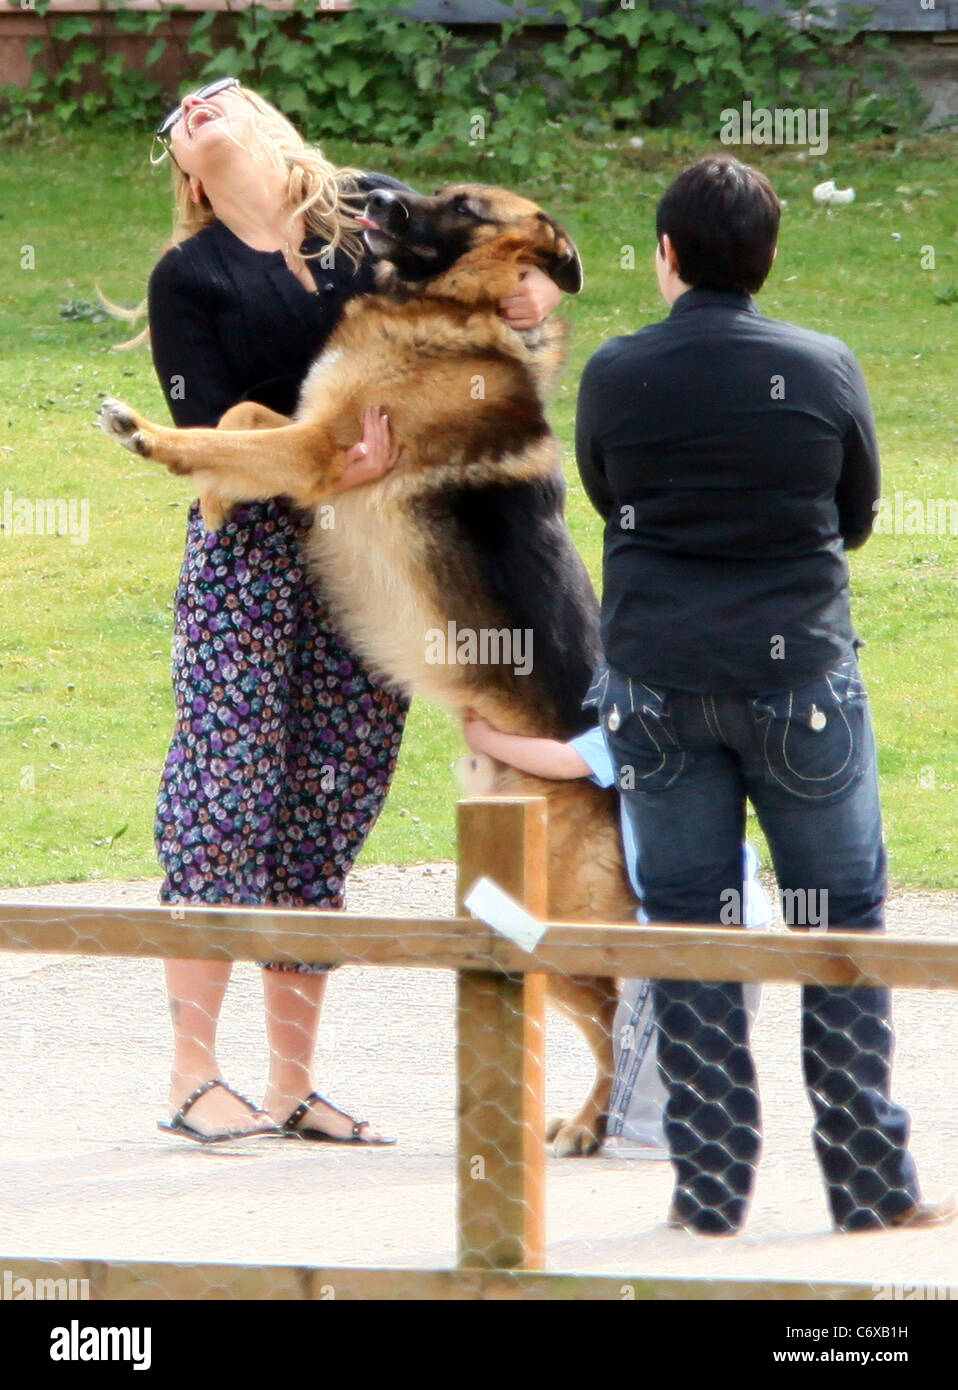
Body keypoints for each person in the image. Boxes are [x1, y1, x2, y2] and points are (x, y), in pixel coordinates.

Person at [143, 79, 563, 1143]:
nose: (199, 104)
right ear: (188, 172)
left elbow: (502, 245)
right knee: (222, 793)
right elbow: (211, 453)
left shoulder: (373, 209)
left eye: (221, 93)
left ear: (272, 122)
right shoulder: (188, 276)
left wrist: (538, 295)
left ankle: (292, 1082)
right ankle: (195, 1074)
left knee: (327, 806)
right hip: (255, 557)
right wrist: (330, 460)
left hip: (375, 554)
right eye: (183, 114)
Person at [574, 153, 955, 1233]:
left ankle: (707, 1191)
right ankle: (869, 1186)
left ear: (664, 255)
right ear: (769, 257)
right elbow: (858, 510)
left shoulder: (613, 372)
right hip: (800, 681)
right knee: (841, 922)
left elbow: (608, 493)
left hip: (656, 682)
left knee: (690, 926)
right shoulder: (821, 365)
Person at [461, 710, 769, 1158]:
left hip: (676, 926)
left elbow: (562, 761)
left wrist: (486, 738)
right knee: (718, 1039)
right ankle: (718, 1131)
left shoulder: (638, 727)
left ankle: (643, 1141)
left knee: (642, 1040)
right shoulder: (721, 727)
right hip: (749, 914)